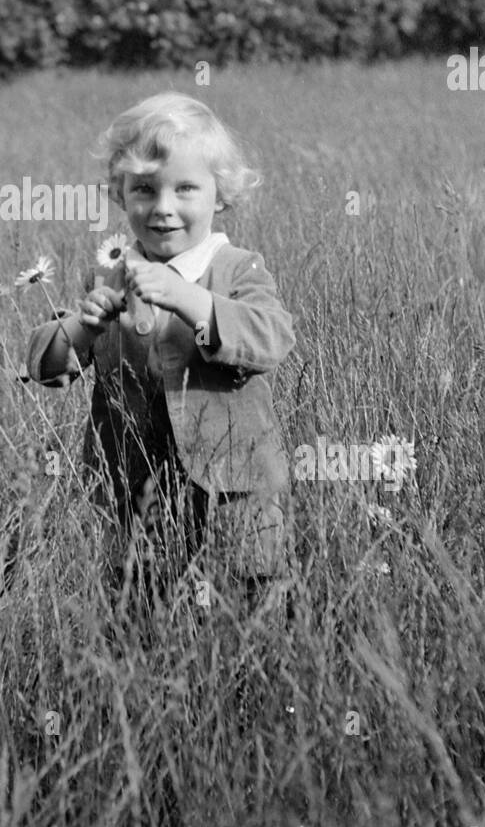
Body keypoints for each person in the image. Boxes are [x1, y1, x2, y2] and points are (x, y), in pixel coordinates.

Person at [25, 92, 296, 619]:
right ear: (120, 194)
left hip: (234, 489)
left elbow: (270, 338)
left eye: (186, 188)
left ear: (220, 195)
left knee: (247, 601)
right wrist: (83, 327)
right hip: (137, 488)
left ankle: (244, 688)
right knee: (140, 601)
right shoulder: (110, 274)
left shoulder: (238, 267)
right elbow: (44, 365)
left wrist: (189, 299)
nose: (164, 207)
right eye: (145, 190)